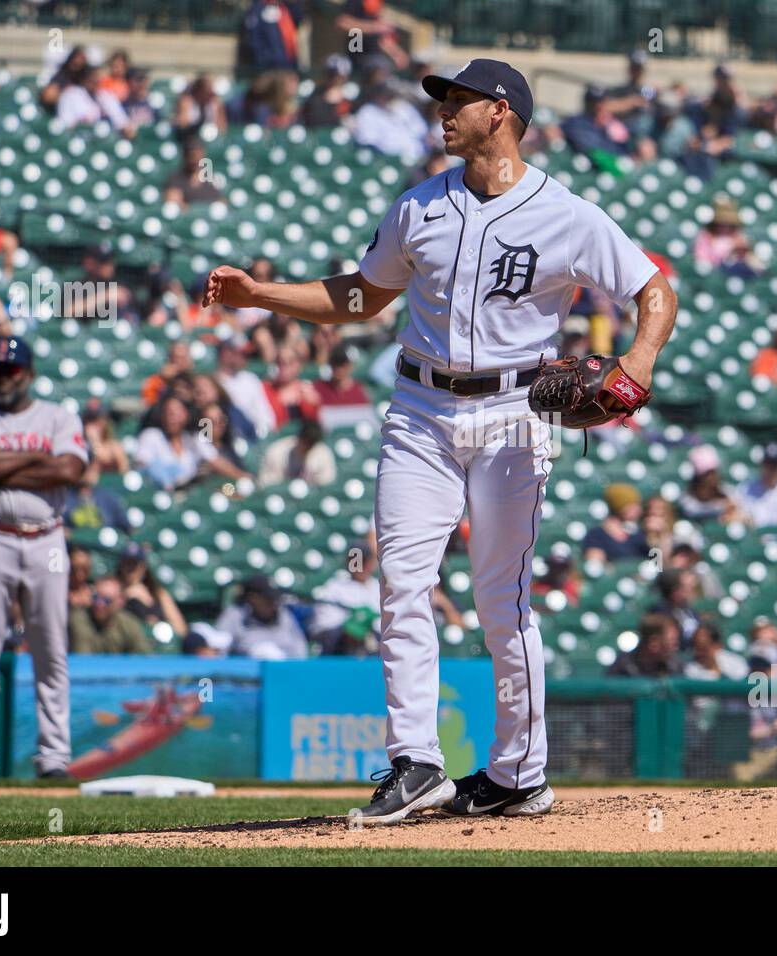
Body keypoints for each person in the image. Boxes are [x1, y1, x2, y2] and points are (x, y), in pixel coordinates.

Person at [203, 58, 675, 824]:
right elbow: (360, 296)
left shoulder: (568, 214)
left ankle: (519, 773)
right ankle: (417, 763)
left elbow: (653, 288)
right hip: (418, 410)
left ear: (500, 112)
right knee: (401, 585)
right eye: (441, 99)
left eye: (456, 99)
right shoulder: (418, 206)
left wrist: (639, 359)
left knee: (500, 599)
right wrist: (263, 296)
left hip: (514, 414)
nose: (442, 111)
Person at [0, 336, 88, 778]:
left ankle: (53, 758)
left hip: (47, 539)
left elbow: (70, 469)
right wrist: (34, 458)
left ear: (29, 374)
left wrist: (2, 463)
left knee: (50, 651)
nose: (2, 377)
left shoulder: (57, 416)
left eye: (9, 370)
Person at [133, 394, 250, 490]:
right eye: (169, 413)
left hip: (188, 495)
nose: (172, 418)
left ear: (186, 414)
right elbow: (142, 465)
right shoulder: (151, 435)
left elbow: (215, 461)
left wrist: (243, 477)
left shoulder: (194, 438)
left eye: (177, 413)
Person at [311, 539, 382, 654]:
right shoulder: (333, 588)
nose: (359, 565)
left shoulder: (379, 588)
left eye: (364, 560)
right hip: (341, 652)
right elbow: (323, 628)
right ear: (348, 561)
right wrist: (351, 626)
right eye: (355, 559)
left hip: (376, 653)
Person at [216, 574, 310, 659]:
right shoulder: (235, 615)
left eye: (274, 599)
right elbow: (218, 651)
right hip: (247, 674)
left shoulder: (284, 614)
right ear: (251, 597)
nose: (272, 604)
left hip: (285, 672)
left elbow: (300, 651)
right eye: (267, 599)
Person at [69, 576, 154, 654]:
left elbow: (145, 659)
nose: (99, 604)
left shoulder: (129, 624)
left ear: (119, 602)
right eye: (96, 597)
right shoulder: (80, 620)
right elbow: (83, 663)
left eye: (106, 600)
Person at [258, 418, 337, 487]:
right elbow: (266, 482)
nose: (306, 447)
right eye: (304, 443)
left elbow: (327, 483)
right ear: (299, 438)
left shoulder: (323, 453)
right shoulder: (277, 451)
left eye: (310, 445)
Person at [582, 483, 650, 562]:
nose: (639, 510)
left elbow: (658, 564)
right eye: (633, 505)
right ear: (620, 507)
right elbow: (595, 565)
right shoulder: (596, 535)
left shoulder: (640, 534)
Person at [607, 612, 683, 677]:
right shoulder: (623, 667)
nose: (675, 647)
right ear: (654, 642)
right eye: (672, 641)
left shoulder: (674, 668)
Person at [240, 0, 302, 76]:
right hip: (268, 69)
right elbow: (254, 41)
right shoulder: (257, 9)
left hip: (288, 66)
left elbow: (297, 19)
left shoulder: (284, 8)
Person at [163, 138, 224, 209]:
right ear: (185, 156)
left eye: (198, 155)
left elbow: (222, 201)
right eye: (192, 155)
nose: (195, 159)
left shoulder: (212, 178)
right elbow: (174, 203)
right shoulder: (176, 178)